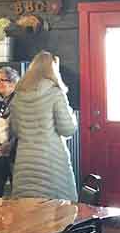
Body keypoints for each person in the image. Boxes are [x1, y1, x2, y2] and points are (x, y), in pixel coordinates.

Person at [10, 51, 77, 201]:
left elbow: (16, 130)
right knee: (57, 208)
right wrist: (72, 115)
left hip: (25, 161)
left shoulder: (18, 96)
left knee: (27, 208)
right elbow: (67, 129)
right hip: (51, 162)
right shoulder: (55, 93)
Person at [0, 66, 20, 199]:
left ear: (13, 82)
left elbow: (19, 130)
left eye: (2, 80)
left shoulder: (19, 102)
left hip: (14, 154)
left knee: (17, 192)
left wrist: (7, 147)